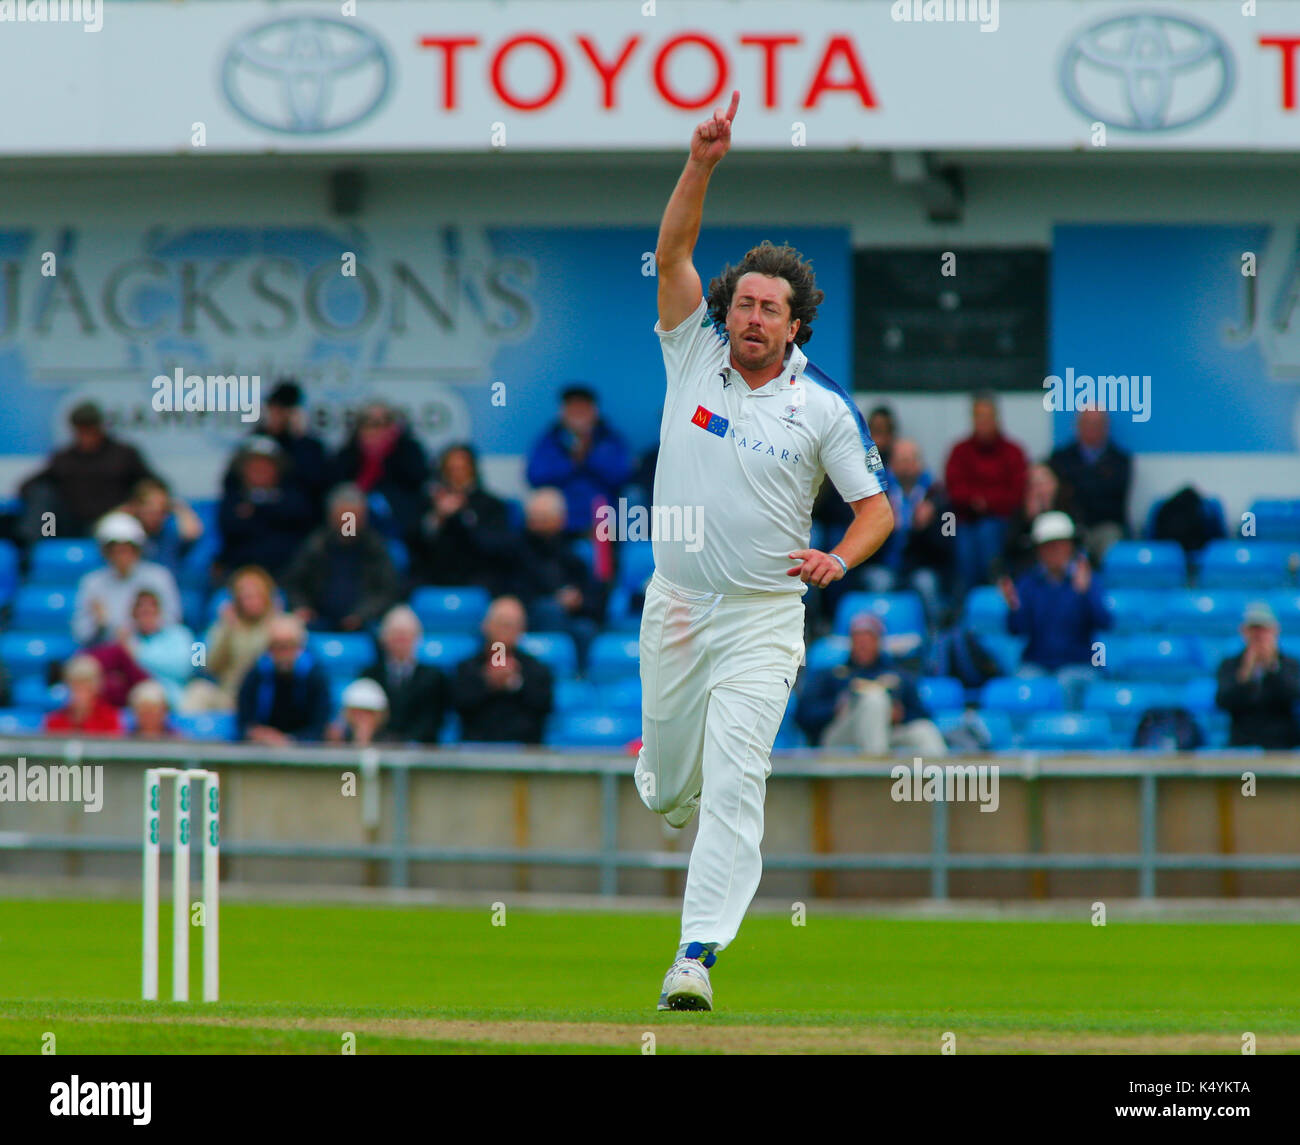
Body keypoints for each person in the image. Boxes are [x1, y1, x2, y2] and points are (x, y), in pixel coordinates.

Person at [635, 92, 894, 1013]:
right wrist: (700, 163)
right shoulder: (691, 352)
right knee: (670, 788)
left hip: (760, 619)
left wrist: (841, 560)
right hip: (675, 602)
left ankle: (694, 956)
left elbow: (876, 510)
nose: (750, 316)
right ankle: (665, 778)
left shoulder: (821, 406)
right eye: (741, 301)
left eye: (768, 309)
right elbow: (670, 255)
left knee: (738, 778)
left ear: (795, 324)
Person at [998, 511, 1111, 707]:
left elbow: (1104, 622)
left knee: (1064, 685)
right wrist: (1014, 607)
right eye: (1048, 546)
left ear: (1070, 546)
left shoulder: (1087, 580)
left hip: (1079, 662)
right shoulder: (1028, 584)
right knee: (1020, 688)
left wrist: (1085, 595)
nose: (1054, 551)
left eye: (1059, 545)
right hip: (1037, 663)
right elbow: (1017, 629)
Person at [795, 613, 946, 756]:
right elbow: (803, 715)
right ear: (851, 642)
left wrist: (900, 715)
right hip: (842, 739)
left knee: (925, 731)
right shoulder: (832, 675)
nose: (863, 645)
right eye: (858, 639)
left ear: (879, 641)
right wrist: (835, 708)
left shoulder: (898, 676)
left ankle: (940, 781)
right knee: (874, 700)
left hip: (888, 734)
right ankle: (875, 779)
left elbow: (923, 714)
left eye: (869, 639)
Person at [18, 401, 156, 539]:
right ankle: (29, 548)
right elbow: (28, 486)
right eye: (81, 429)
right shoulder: (64, 458)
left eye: (90, 428)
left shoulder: (123, 455)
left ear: (100, 427)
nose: (86, 435)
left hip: (112, 521)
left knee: (119, 525)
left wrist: (133, 505)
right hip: (71, 523)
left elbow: (152, 484)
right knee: (42, 493)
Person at [283, 484, 401, 632]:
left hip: (366, 623)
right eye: (344, 517)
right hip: (317, 620)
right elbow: (294, 583)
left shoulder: (375, 548)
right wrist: (301, 607)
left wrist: (362, 615)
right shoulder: (315, 545)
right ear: (332, 516)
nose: (348, 523)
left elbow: (386, 591)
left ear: (363, 516)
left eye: (353, 517)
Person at [510, 488, 604, 671]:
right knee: (550, 610)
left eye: (545, 518)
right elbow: (514, 592)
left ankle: (579, 677)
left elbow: (596, 595)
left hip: (571, 618)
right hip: (531, 616)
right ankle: (548, 669)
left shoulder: (573, 554)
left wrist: (578, 601)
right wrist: (554, 600)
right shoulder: (516, 551)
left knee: (585, 629)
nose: (539, 525)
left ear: (560, 519)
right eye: (536, 518)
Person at [945, 392, 1028, 596]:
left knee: (987, 533)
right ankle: (963, 603)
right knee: (956, 537)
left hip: (1003, 521)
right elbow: (954, 490)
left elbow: (1016, 494)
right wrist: (975, 501)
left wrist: (987, 502)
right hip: (963, 520)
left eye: (987, 417)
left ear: (997, 419)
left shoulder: (1013, 451)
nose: (983, 423)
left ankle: (992, 594)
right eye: (978, 417)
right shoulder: (960, 451)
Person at [862, 438, 952, 620]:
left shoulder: (940, 497)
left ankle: (936, 638)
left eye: (912, 460)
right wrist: (883, 529)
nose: (907, 466)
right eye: (902, 461)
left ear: (920, 463)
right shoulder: (876, 495)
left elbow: (949, 542)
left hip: (922, 566)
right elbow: (860, 541)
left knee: (926, 584)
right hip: (885, 565)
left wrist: (927, 527)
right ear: (891, 464)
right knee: (879, 583)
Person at [526, 384, 632, 536]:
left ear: (594, 411)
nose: (578, 414)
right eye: (573, 408)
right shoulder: (550, 440)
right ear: (563, 412)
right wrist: (571, 461)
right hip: (559, 520)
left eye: (583, 408)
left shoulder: (610, 440)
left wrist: (589, 455)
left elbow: (622, 475)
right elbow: (535, 476)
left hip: (602, 516)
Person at [412, 443, 516, 593]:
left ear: (473, 470)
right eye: (451, 469)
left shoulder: (491, 504)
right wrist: (438, 517)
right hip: (435, 577)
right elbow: (414, 544)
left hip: (479, 578)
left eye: (462, 468)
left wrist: (463, 516)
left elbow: (495, 546)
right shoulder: (428, 504)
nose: (457, 475)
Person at [450, 596, 553, 745]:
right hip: (476, 750)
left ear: (522, 629)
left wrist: (516, 683)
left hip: (524, 751)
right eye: (500, 624)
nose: (505, 630)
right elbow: (459, 704)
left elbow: (544, 706)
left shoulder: (536, 670)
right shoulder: (467, 668)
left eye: (511, 625)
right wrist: (488, 683)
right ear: (486, 625)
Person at [72, 512, 182, 646]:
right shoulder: (92, 582)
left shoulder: (159, 577)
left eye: (126, 550)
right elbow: (80, 632)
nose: (122, 556)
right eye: (115, 551)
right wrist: (99, 625)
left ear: (138, 550)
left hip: (151, 649)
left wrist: (143, 627)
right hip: (107, 650)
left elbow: (173, 620)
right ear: (106, 552)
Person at [224, 380, 331, 515]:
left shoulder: (309, 447)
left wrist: (299, 439)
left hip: (295, 521)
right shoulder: (254, 442)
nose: (276, 416)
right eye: (273, 409)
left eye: (282, 411)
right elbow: (231, 482)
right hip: (254, 520)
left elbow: (315, 485)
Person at [330, 402, 429, 545]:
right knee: (348, 504)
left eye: (384, 423)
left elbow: (416, 479)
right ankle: (348, 544)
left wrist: (383, 454)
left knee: (378, 502)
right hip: (357, 511)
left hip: (393, 516)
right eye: (371, 424)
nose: (377, 429)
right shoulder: (349, 452)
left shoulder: (408, 449)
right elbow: (339, 483)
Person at [216, 436, 314, 578]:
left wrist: (257, 511)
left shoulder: (293, 497)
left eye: (266, 465)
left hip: (285, 574)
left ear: (278, 469)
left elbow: (299, 520)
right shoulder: (233, 499)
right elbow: (230, 529)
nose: (259, 470)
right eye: (253, 465)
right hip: (241, 575)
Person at [185, 565, 279, 712]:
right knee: (198, 690)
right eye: (245, 597)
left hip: (265, 697)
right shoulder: (224, 625)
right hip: (229, 696)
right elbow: (208, 666)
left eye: (255, 595)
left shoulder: (280, 626)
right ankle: (184, 735)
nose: (250, 602)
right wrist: (226, 629)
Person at [1048, 407, 1131, 563]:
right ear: (1077, 426)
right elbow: (1061, 496)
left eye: (1097, 424)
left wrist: (1078, 485)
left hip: (1105, 525)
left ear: (1106, 427)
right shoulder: (1060, 457)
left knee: (1111, 538)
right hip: (1070, 525)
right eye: (1087, 423)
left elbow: (1114, 499)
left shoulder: (1120, 460)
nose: (1092, 429)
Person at [1215, 602, 1300, 749]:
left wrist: (1273, 668)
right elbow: (1222, 701)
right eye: (1253, 630)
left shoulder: (1290, 665)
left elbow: (1293, 696)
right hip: (1242, 743)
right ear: (1244, 632)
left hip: (1281, 744)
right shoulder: (1230, 665)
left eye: (1263, 630)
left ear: (1275, 631)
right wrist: (1245, 674)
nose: (1259, 636)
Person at [236, 614, 332, 744]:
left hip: (304, 750)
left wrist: (290, 740)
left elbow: (320, 725)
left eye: (289, 645)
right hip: (262, 748)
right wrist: (260, 734)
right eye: (277, 646)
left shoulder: (314, 676)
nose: (283, 652)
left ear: (300, 646)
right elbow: (244, 721)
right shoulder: (257, 674)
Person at [360, 605, 448, 744]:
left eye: (406, 635)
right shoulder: (369, 676)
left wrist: (408, 742)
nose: (400, 641)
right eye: (395, 634)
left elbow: (433, 719)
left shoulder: (434, 677)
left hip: (421, 752)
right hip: (379, 748)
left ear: (417, 638)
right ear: (384, 637)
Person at [1000, 464, 1076, 580]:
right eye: (1034, 485)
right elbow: (1011, 549)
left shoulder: (1069, 504)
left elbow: (1079, 537)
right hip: (1031, 570)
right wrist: (1029, 519)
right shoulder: (1020, 513)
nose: (1040, 489)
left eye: (1043, 483)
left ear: (1055, 483)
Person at [122, 477, 205, 579]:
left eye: (161, 511)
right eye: (150, 511)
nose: (156, 517)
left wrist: (179, 507)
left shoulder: (170, 533)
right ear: (137, 507)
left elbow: (192, 534)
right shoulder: (127, 533)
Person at [44, 655, 123, 736]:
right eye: (75, 685)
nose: (80, 691)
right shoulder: (55, 720)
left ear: (96, 688)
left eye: (86, 685)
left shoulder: (110, 718)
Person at [328, 677, 391, 747]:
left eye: (367, 713)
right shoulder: (338, 741)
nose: (361, 718)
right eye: (356, 712)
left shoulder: (391, 744)